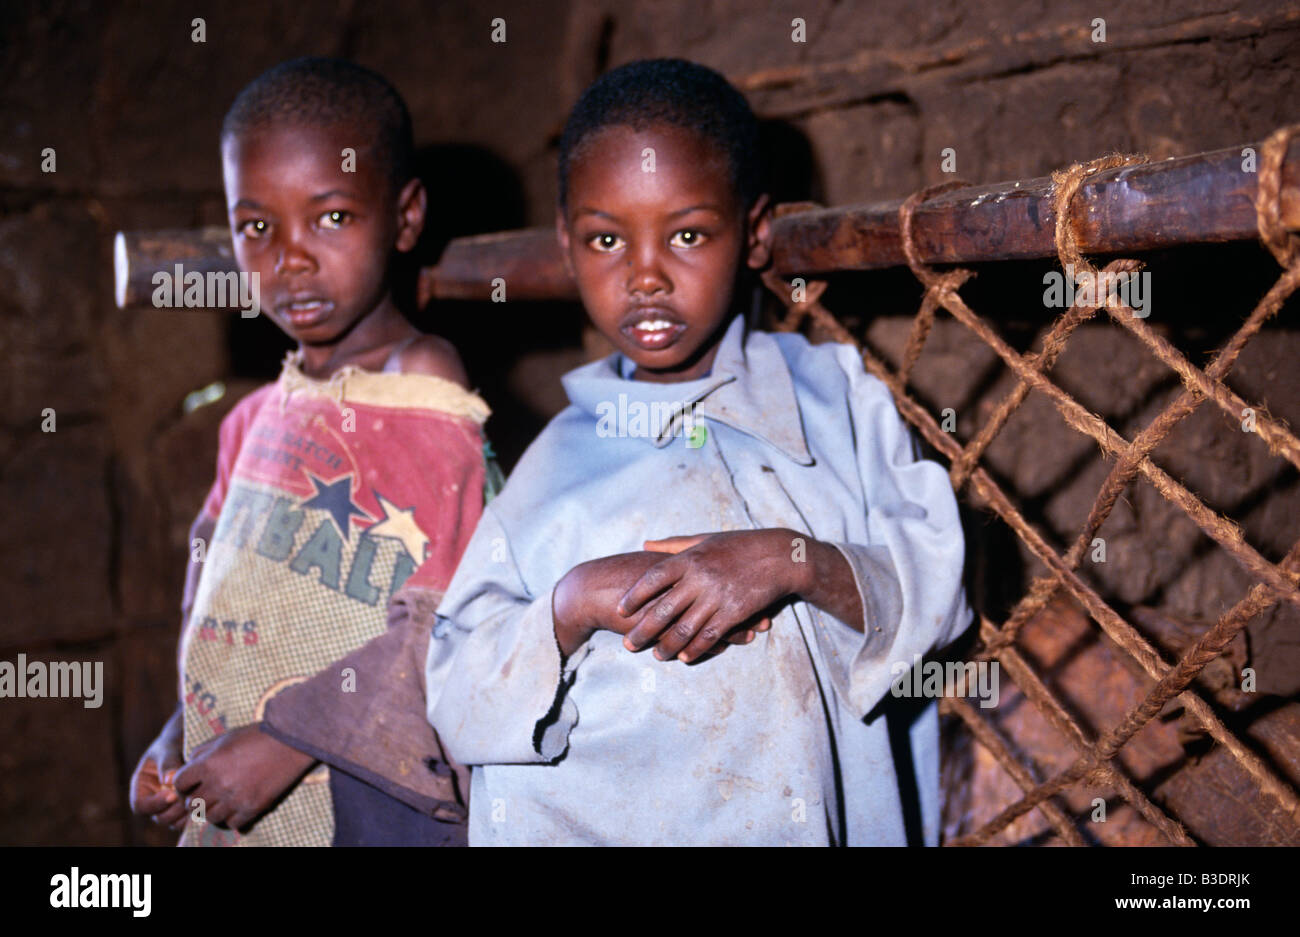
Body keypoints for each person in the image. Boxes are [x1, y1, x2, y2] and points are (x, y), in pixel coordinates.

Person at [425, 58, 972, 845]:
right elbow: (456, 687)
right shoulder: (553, 462)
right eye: (606, 239)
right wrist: (572, 602)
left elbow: (939, 593)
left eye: (686, 234)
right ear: (567, 246)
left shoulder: (835, 399)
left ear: (752, 234)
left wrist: (796, 563)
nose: (645, 276)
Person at [128, 58, 495, 846]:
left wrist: (289, 739)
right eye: (257, 225)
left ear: (404, 218)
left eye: (329, 218)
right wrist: (178, 734)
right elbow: (219, 615)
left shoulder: (420, 381)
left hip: (358, 806)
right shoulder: (252, 421)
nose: (288, 257)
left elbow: (450, 619)